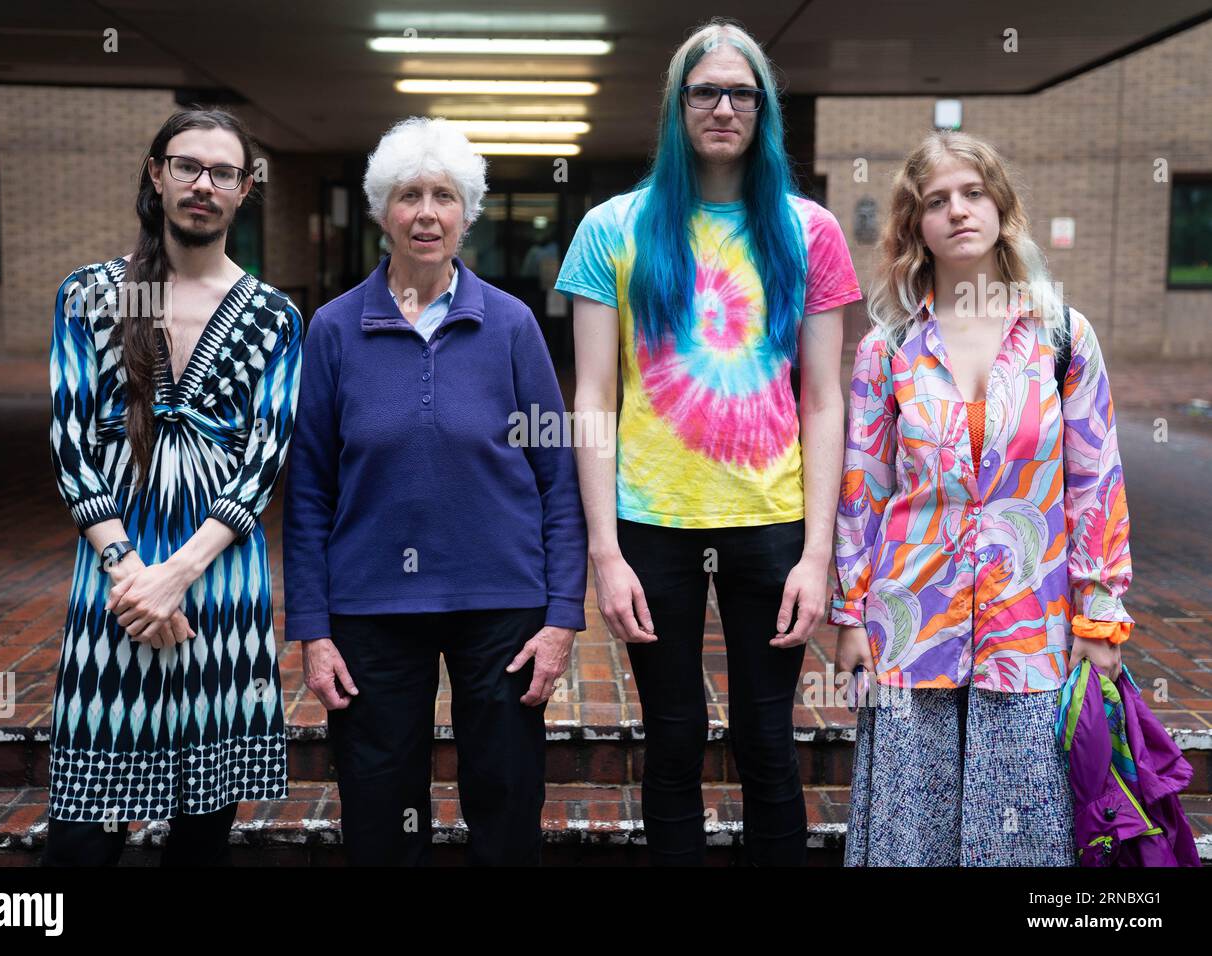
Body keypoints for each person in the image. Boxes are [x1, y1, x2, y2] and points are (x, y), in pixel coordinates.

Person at [555, 19, 861, 866]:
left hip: (772, 523)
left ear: (762, 109)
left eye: (741, 92)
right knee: (675, 736)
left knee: (770, 739)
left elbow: (825, 400)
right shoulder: (611, 229)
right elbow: (592, 397)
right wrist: (604, 554)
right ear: (677, 105)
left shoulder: (810, 232)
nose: (723, 106)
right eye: (705, 90)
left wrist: (817, 552)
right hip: (651, 525)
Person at [282, 117, 588, 866]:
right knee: (381, 804)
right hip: (371, 607)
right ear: (383, 211)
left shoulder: (512, 325)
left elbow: (557, 476)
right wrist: (314, 631)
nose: (427, 212)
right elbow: (310, 489)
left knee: (507, 795)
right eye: (409, 195)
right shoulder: (333, 329)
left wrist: (561, 617)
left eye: (445, 196)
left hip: (502, 603)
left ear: (466, 213)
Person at [830, 130, 1134, 866]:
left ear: (1001, 207)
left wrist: (1101, 610)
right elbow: (862, 487)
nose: (958, 211)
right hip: (909, 625)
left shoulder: (1061, 336)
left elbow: (1096, 481)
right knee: (911, 837)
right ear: (915, 227)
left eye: (973, 193)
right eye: (936, 201)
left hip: (1032, 628)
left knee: (1022, 838)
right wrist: (849, 615)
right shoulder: (888, 348)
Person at [42, 108, 302, 866]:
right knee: (81, 838)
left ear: (244, 190)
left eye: (224, 173)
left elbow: (264, 460)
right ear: (155, 174)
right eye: (187, 166)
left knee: (201, 832)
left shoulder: (275, 317)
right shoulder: (92, 293)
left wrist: (179, 575)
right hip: (114, 583)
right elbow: (69, 442)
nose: (203, 185)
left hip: (217, 582)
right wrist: (133, 576)